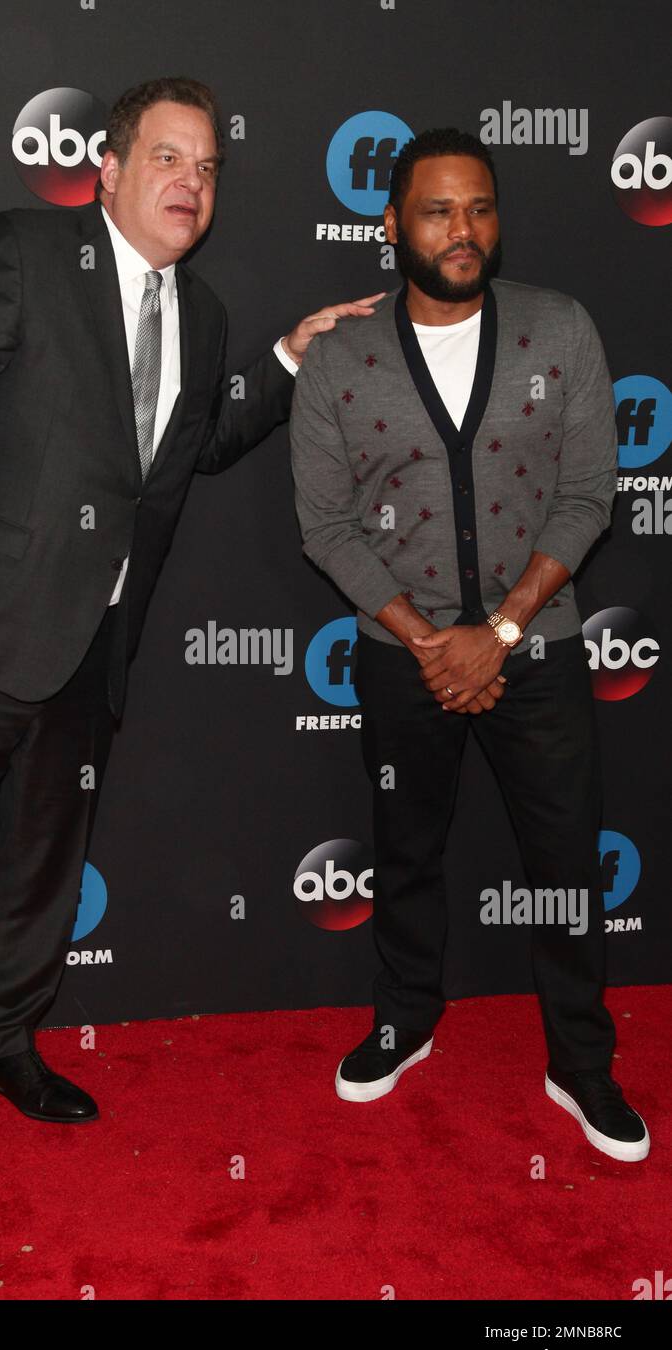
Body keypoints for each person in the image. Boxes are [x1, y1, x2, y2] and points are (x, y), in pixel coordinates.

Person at [0, 75, 383, 1197]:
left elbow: (187, 447)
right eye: (169, 159)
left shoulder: (205, 314)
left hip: (95, 642)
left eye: (209, 168)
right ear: (111, 169)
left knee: (40, 870)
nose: (192, 183)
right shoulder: (26, 252)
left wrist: (282, 361)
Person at [289, 127, 649, 1162]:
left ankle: (578, 1059)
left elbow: (586, 495)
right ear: (390, 223)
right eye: (439, 210)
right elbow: (327, 528)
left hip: (535, 650)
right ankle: (404, 1017)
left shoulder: (557, 327)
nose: (463, 230)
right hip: (400, 658)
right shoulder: (340, 359)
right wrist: (428, 642)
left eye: (480, 208)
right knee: (404, 851)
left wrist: (495, 633)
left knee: (563, 860)